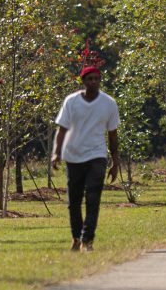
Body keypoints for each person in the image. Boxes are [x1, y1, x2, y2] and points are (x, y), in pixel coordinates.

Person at [50, 64, 120, 251]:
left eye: (96, 79)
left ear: (100, 81)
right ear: (83, 82)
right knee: (74, 200)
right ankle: (76, 237)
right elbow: (62, 129)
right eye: (90, 79)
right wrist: (56, 153)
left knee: (93, 196)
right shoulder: (71, 101)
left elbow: (112, 134)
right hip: (73, 155)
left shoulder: (109, 103)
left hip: (97, 155)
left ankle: (87, 240)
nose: (93, 82)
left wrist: (115, 161)